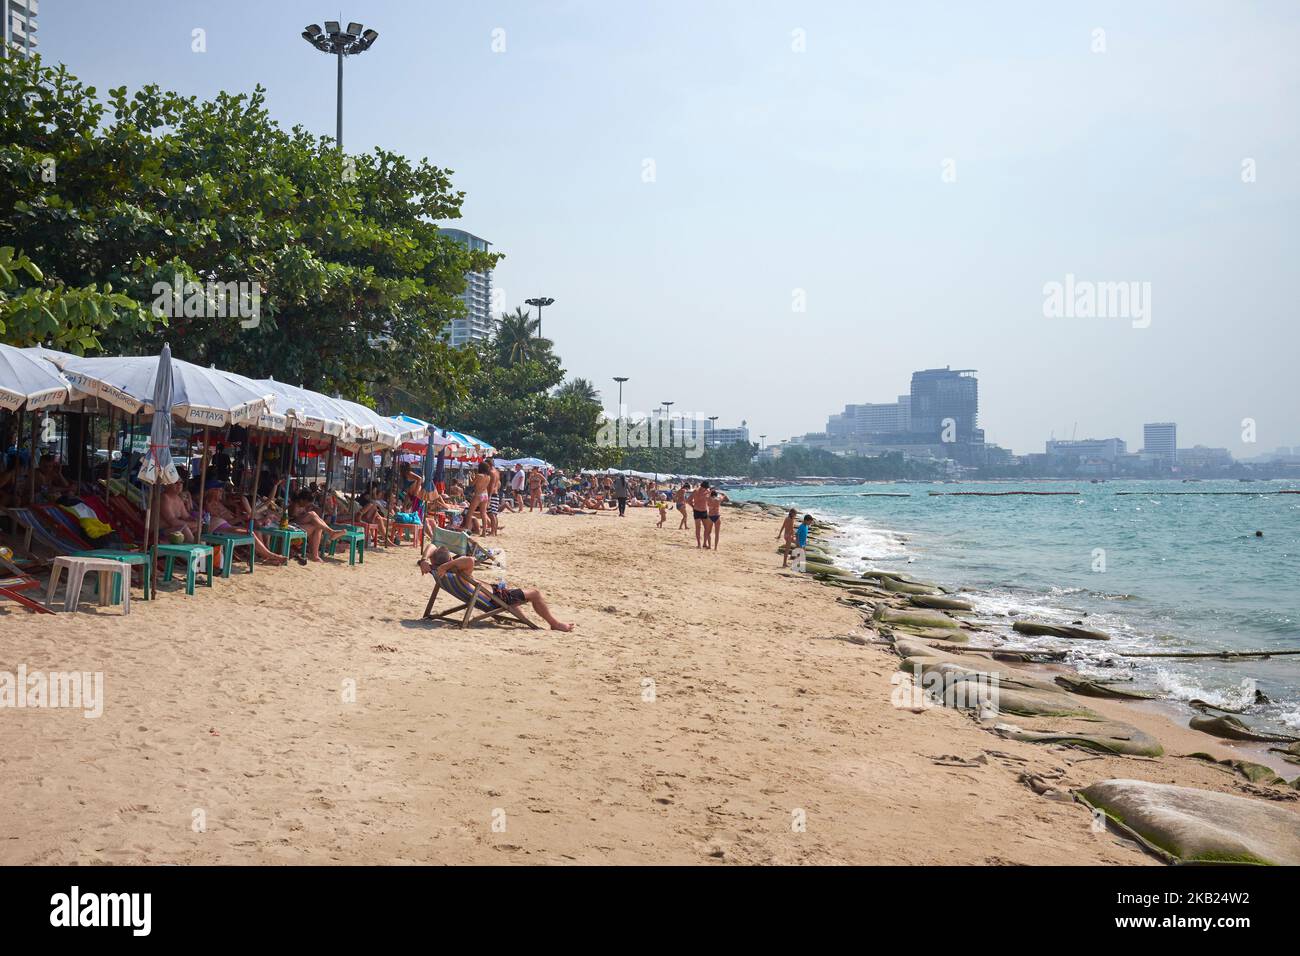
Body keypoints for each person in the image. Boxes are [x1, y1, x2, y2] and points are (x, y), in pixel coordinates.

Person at [418, 545, 575, 631]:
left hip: (493, 595)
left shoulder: (437, 571)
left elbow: (431, 545)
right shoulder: (458, 572)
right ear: (450, 559)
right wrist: (448, 565)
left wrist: (424, 560)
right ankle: (554, 623)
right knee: (535, 593)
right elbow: (471, 560)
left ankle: (524, 619)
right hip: (497, 598)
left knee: (513, 594)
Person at [689, 481, 711, 548]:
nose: (705, 489)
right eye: (705, 488)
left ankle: (704, 543)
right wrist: (693, 506)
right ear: (702, 486)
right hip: (697, 511)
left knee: (707, 528)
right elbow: (688, 500)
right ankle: (699, 544)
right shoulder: (696, 491)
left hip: (704, 511)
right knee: (698, 528)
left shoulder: (707, 491)